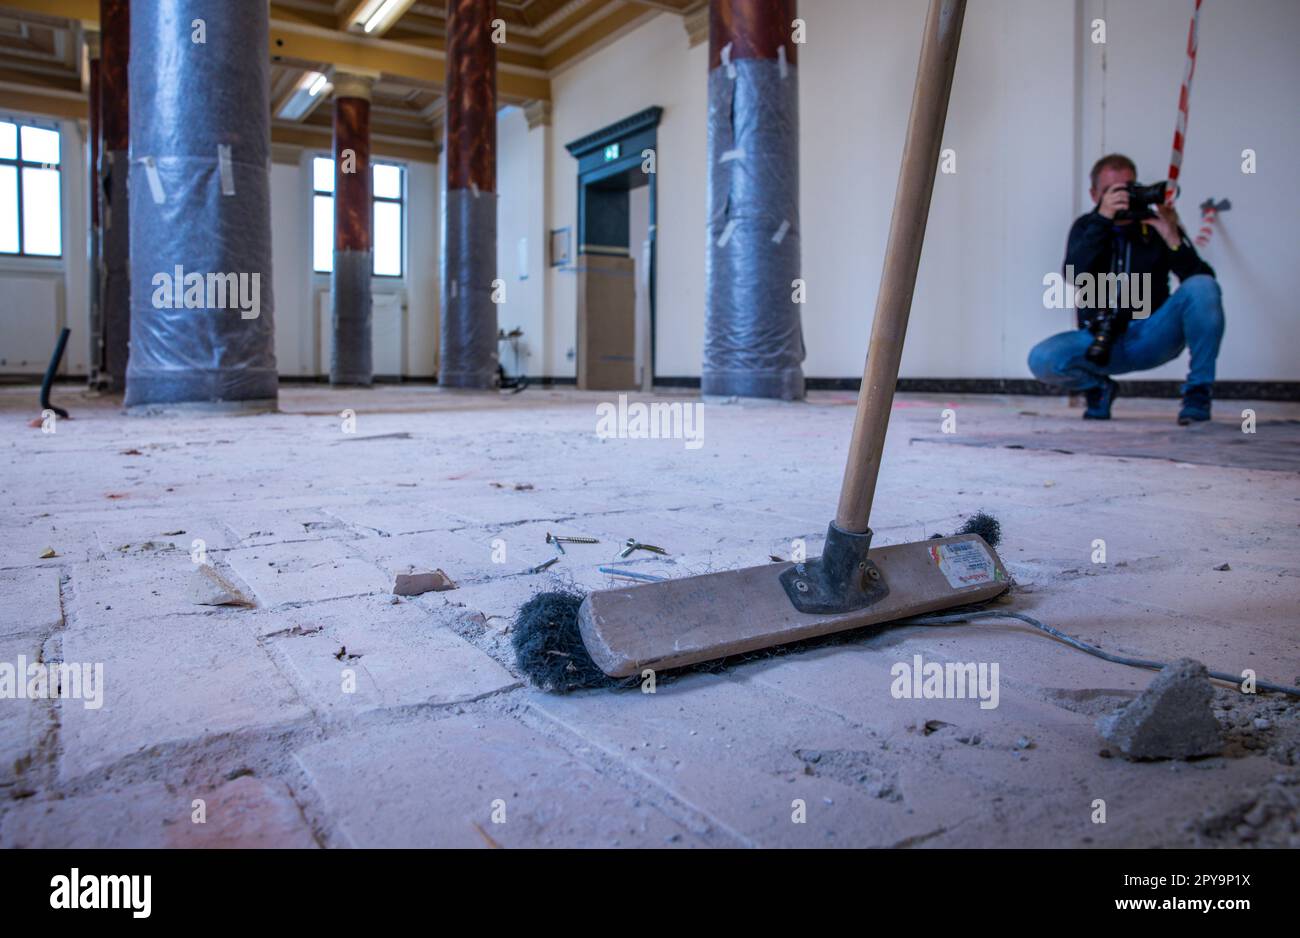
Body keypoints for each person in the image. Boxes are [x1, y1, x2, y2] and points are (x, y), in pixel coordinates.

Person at [1028, 154, 1225, 423]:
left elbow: (1202, 284)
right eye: (1113, 190)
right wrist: (1103, 220)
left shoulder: (1154, 225)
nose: (1123, 196)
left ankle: (1197, 393)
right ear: (1094, 193)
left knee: (1203, 287)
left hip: (1151, 335)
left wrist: (1172, 236)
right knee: (1042, 358)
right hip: (1100, 340)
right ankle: (1098, 387)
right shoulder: (1087, 226)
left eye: (1128, 187)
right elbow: (1075, 274)